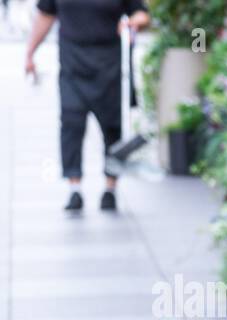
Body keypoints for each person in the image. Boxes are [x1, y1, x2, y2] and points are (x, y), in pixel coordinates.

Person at [24, 0, 151, 213]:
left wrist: (132, 22)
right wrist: (29, 53)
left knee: (112, 127)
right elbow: (45, 16)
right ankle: (74, 188)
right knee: (71, 123)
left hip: (110, 62)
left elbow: (141, 14)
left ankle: (110, 187)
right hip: (73, 62)